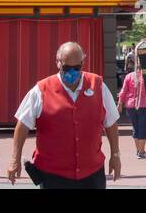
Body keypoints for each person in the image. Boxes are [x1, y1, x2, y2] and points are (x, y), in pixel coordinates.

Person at [7, 41, 121, 189]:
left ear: (82, 62)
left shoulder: (98, 85)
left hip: (92, 174)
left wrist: (115, 155)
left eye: (77, 67)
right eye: (67, 67)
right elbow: (22, 125)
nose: (72, 72)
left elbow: (111, 123)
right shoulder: (41, 90)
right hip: (53, 175)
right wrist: (15, 160)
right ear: (58, 62)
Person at [118, 56, 146, 159]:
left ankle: (138, 150)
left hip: (130, 105)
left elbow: (123, 91)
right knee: (143, 128)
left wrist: (120, 104)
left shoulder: (129, 76)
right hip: (143, 105)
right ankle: (141, 151)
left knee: (135, 128)